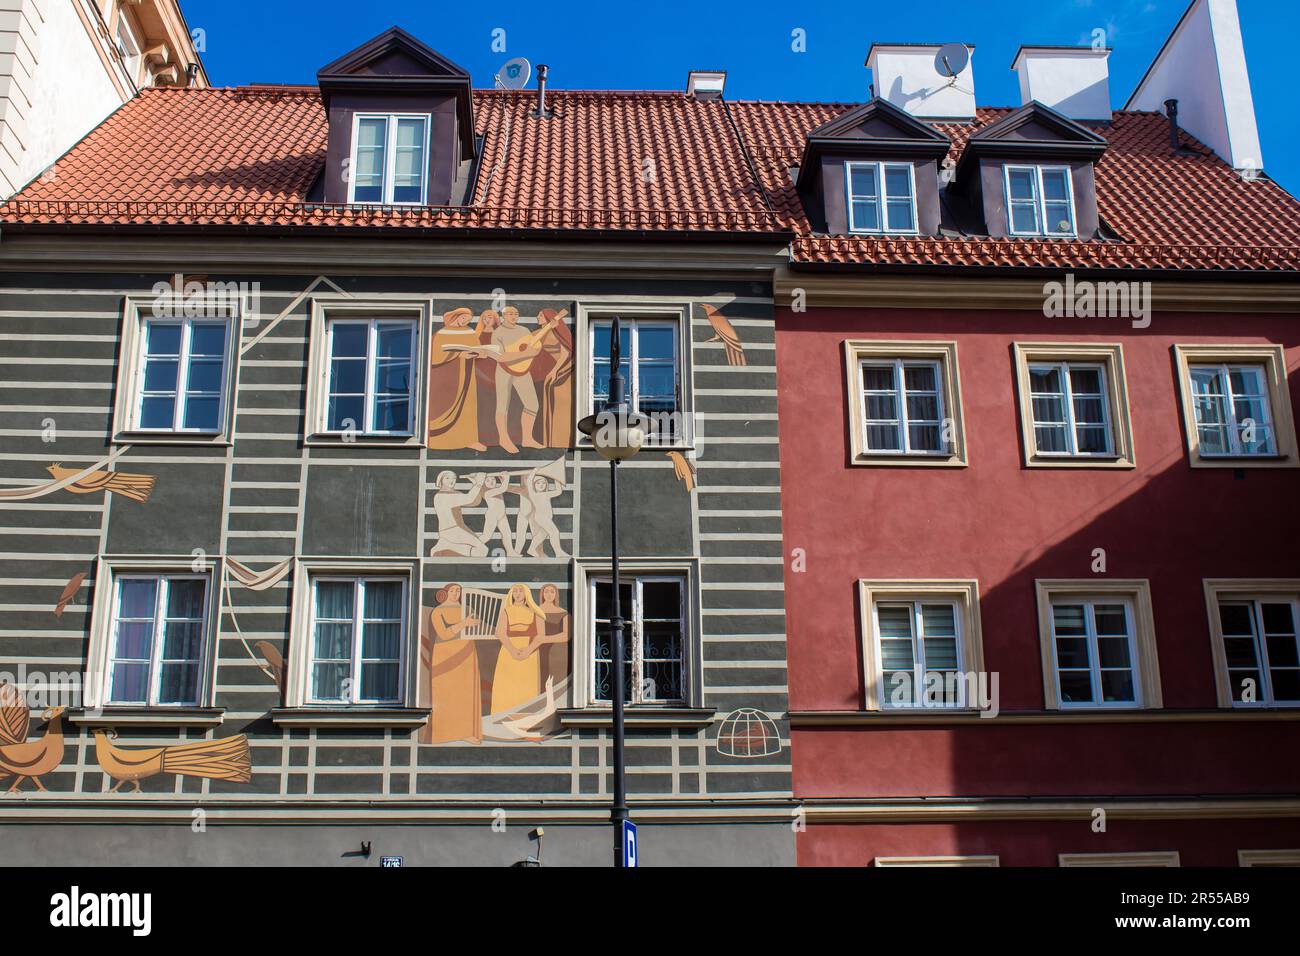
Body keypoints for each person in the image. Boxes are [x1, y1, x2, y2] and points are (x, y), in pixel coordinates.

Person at [421, 584, 482, 745]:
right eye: (453, 590)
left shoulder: (466, 608)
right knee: (447, 693)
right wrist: (464, 623)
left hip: (467, 650)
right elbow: (444, 634)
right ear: (446, 592)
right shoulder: (438, 611)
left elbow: (477, 623)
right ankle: (444, 734)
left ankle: (467, 732)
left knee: (466, 692)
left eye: (458, 591)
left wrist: (474, 621)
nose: (456, 593)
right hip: (445, 653)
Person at [427, 308, 489, 451]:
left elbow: (477, 347)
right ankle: (439, 439)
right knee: (444, 405)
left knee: (469, 407)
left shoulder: (470, 332)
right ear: (456, 316)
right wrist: (458, 355)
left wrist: (481, 353)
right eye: (464, 318)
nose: (466, 322)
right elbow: (434, 355)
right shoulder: (441, 333)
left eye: (468, 320)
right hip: (448, 376)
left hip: (467, 374)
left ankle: (469, 439)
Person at [490, 307, 545, 453]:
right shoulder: (498, 333)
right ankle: (503, 438)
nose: (514, 316)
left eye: (516, 314)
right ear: (503, 316)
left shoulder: (524, 331)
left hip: (523, 371)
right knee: (503, 405)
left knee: (533, 404)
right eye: (511, 314)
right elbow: (500, 357)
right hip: (504, 371)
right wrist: (525, 354)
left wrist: (534, 352)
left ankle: (527, 438)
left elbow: (534, 347)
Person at [490, 584, 545, 714]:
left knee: (527, 687)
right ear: (511, 594)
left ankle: (526, 716)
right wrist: (513, 650)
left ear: (526, 594)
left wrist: (528, 650)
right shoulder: (506, 611)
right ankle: (502, 715)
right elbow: (500, 633)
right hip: (508, 650)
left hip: (529, 652)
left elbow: (541, 635)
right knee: (506, 685)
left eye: (521, 591)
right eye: (515, 591)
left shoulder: (534, 612)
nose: (518, 593)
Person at [430, 470, 488, 557]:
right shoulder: (441, 496)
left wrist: (475, 483)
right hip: (452, 530)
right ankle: (447, 545)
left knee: (482, 551)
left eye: (454, 478)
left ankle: (445, 544)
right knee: (482, 551)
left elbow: (475, 501)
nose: (451, 480)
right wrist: (478, 483)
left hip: (456, 529)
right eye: (447, 478)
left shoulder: (454, 494)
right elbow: (469, 498)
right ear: (441, 480)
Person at [537, 309, 574, 448]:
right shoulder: (542, 332)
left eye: (540, 315)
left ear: (548, 318)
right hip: (546, 371)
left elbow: (565, 352)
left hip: (561, 371)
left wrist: (554, 371)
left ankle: (557, 440)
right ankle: (548, 439)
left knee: (555, 398)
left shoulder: (556, 332)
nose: (537, 317)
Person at [515, 472, 565, 558]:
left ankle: (531, 549)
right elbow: (530, 483)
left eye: (543, 483)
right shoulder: (534, 494)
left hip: (547, 517)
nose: (541, 485)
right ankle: (558, 552)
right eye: (538, 483)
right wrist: (533, 473)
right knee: (555, 532)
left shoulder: (547, 494)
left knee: (541, 535)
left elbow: (558, 491)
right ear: (534, 485)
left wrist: (556, 478)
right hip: (541, 517)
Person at [476, 471, 518, 556]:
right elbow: (503, 488)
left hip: (502, 515)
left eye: (493, 479)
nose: (491, 482)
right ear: (484, 484)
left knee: (507, 533)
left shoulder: (497, 490)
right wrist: (507, 478)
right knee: (487, 536)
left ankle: (510, 552)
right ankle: (472, 548)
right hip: (492, 516)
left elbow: (504, 487)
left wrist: (502, 479)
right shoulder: (487, 493)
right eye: (487, 481)